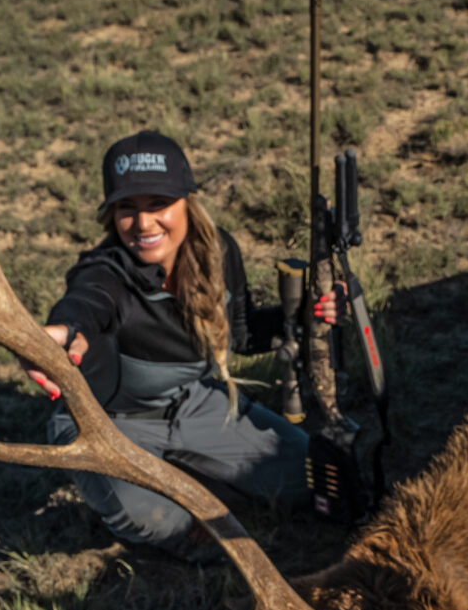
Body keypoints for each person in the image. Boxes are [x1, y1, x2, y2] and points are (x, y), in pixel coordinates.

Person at [26, 131, 336, 562]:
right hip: (108, 423)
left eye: (159, 204)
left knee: (313, 476)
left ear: (187, 201)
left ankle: (191, 469)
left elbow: (241, 335)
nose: (143, 223)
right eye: (127, 208)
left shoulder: (218, 251)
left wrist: (305, 316)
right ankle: (179, 528)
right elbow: (84, 304)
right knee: (150, 515)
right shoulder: (105, 273)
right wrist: (63, 332)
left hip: (193, 403)